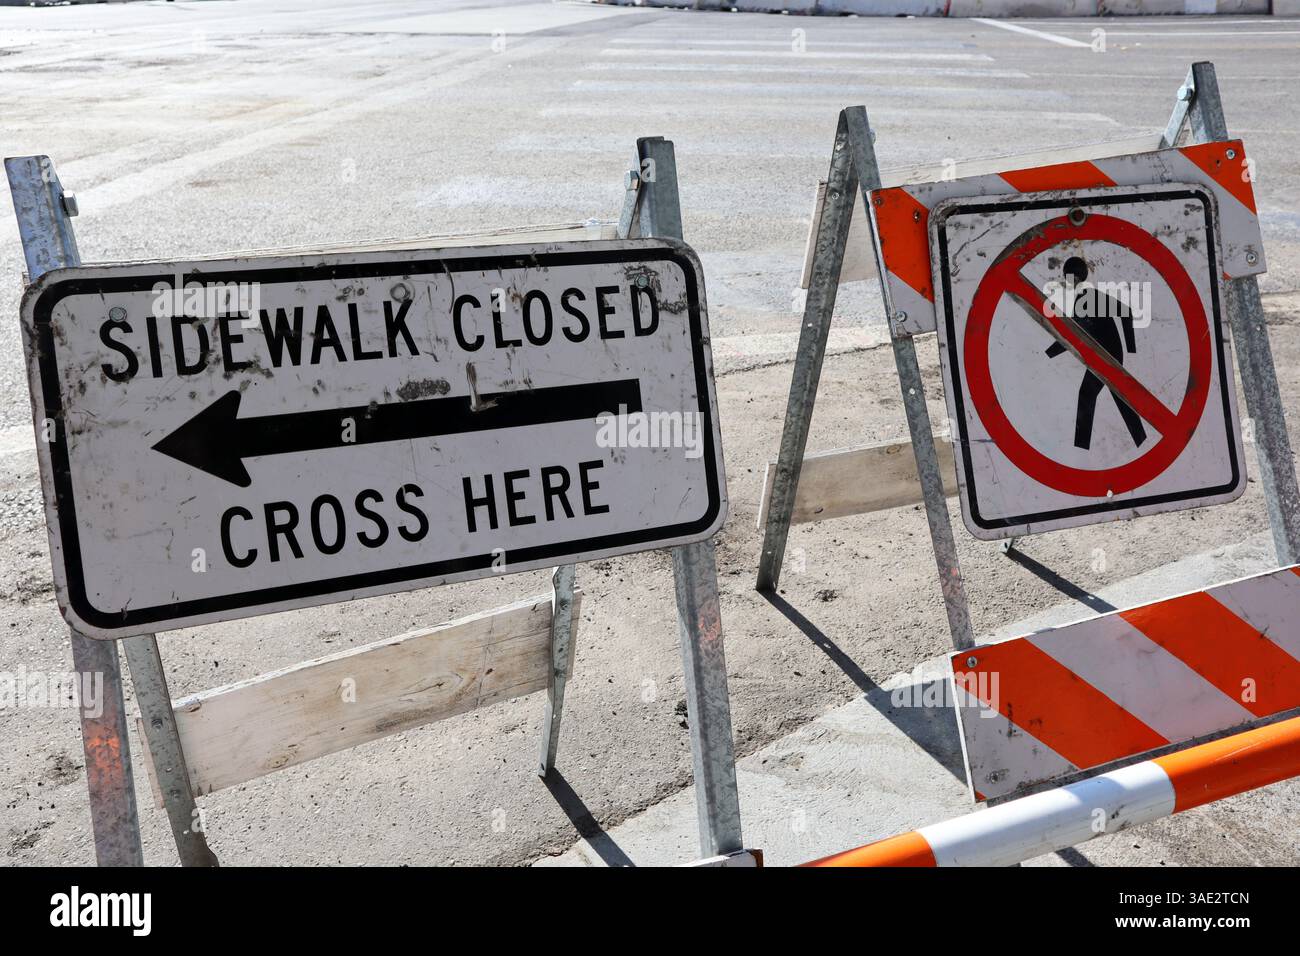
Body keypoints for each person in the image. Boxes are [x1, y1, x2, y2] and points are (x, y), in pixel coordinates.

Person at [1044, 257, 1146, 451]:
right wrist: (1049, 353)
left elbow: (1125, 312)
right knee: (1116, 397)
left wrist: (1131, 348)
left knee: (1087, 395)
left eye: (1068, 277)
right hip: (1104, 356)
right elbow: (1074, 334)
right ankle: (1140, 439)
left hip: (1107, 357)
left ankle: (1080, 450)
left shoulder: (1088, 296)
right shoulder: (1082, 297)